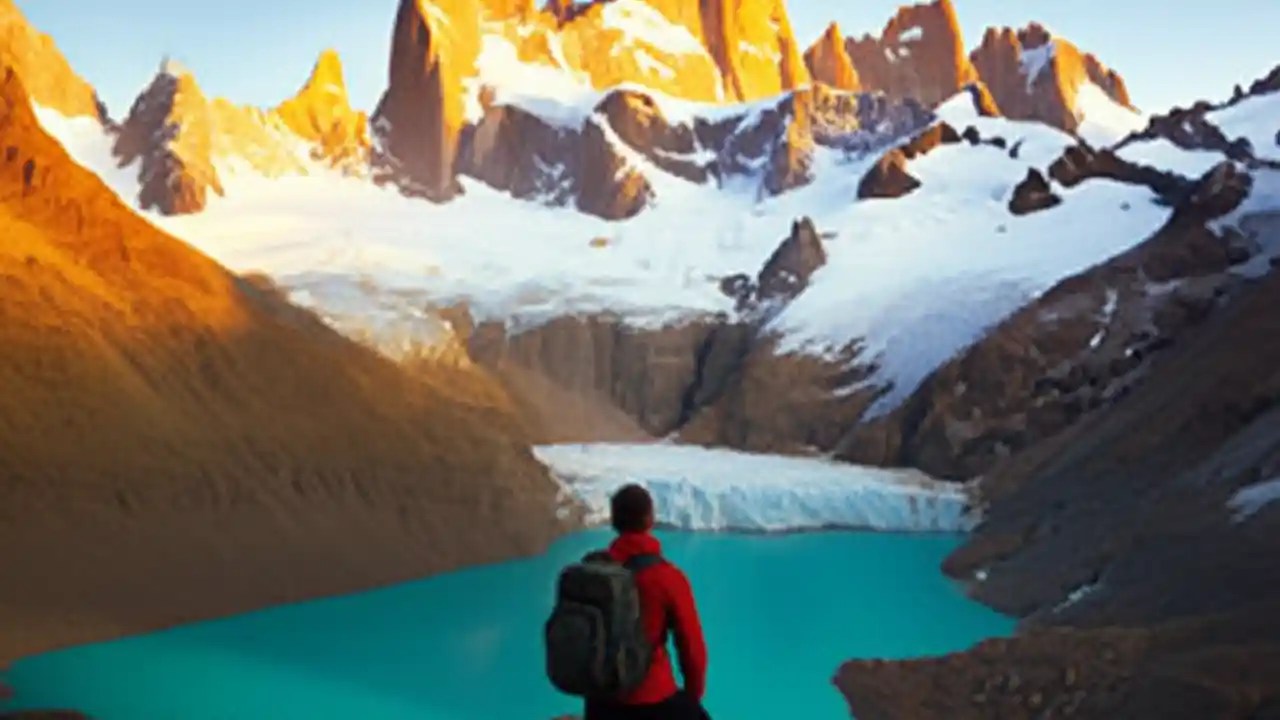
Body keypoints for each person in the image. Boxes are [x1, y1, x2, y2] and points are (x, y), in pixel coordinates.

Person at [583, 484, 710, 720]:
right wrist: (692, 700)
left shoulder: (593, 572)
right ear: (650, 520)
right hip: (653, 700)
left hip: (601, 703)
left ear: (614, 521)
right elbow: (693, 650)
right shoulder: (667, 578)